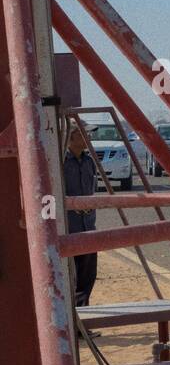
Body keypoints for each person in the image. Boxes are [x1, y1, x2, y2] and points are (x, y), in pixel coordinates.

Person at [63, 125, 98, 307]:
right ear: (71, 137)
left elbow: (92, 190)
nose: (88, 137)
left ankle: (83, 322)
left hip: (88, 227)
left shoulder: (89, 162)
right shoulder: (60, 163)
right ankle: (75, 324)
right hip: (69, 229)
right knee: (71, 279)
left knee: (88, 276)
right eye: (84, 133)